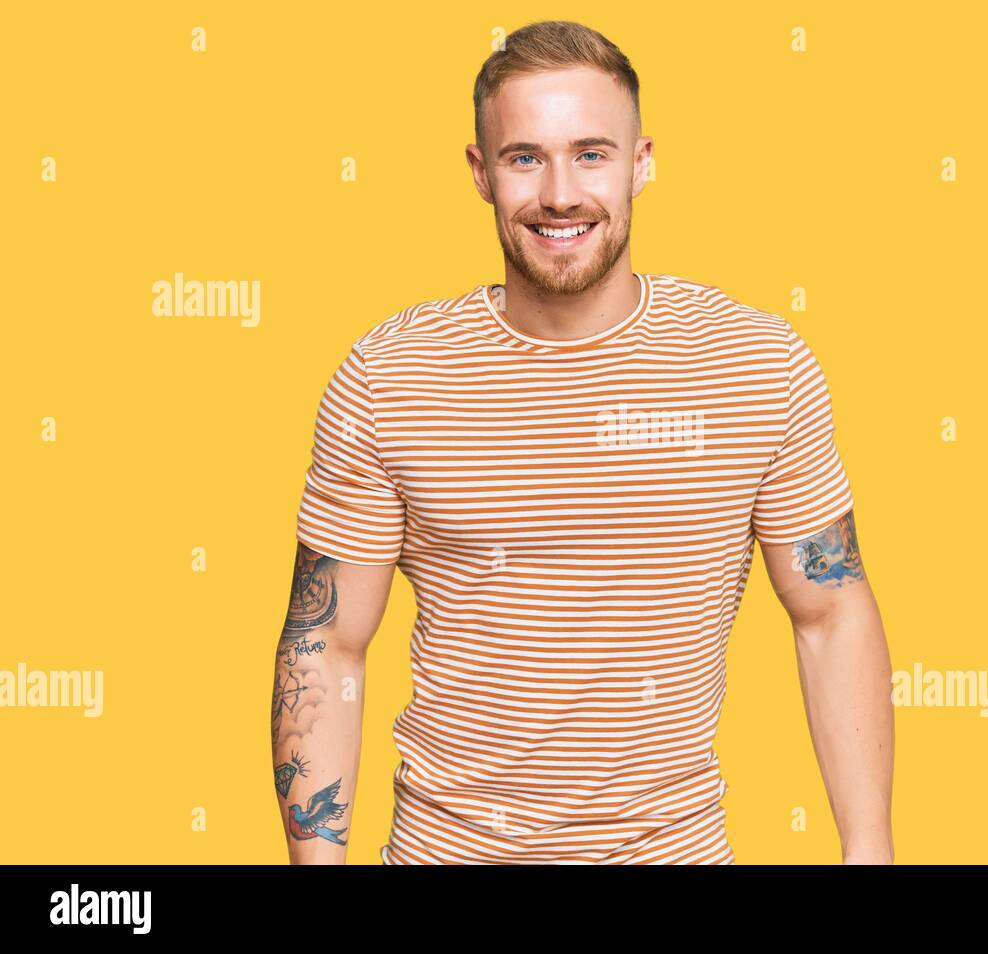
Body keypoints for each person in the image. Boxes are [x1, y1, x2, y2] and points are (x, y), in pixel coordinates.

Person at [272, 19, 894, 865]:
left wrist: (870, 852)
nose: (560, 193)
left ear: (641, 161)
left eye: (591, 153)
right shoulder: (391, 376)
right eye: (525, 156)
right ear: (481, 173)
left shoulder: (756, 366)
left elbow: (830, 609)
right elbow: (326, 639)